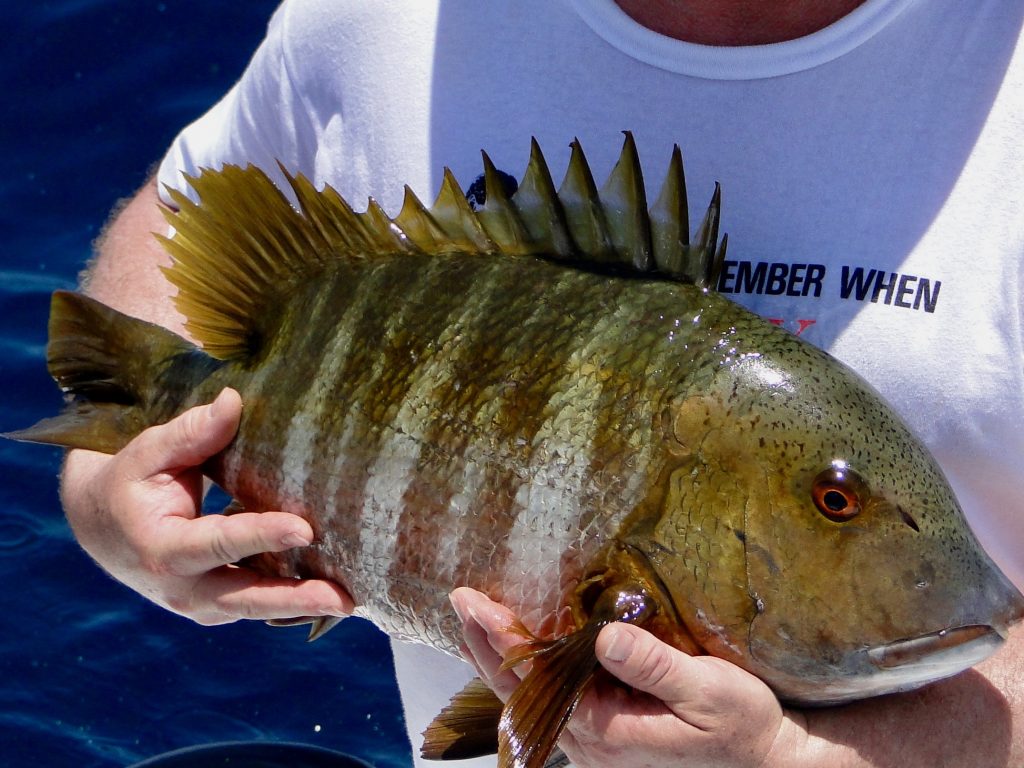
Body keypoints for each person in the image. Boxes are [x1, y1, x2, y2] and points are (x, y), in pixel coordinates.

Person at [62, 0, 1024, 765]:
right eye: (832, 501)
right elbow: (178, 224)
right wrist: (112, 505)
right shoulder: (379, 20)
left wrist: (806, 758)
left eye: (831, 502)